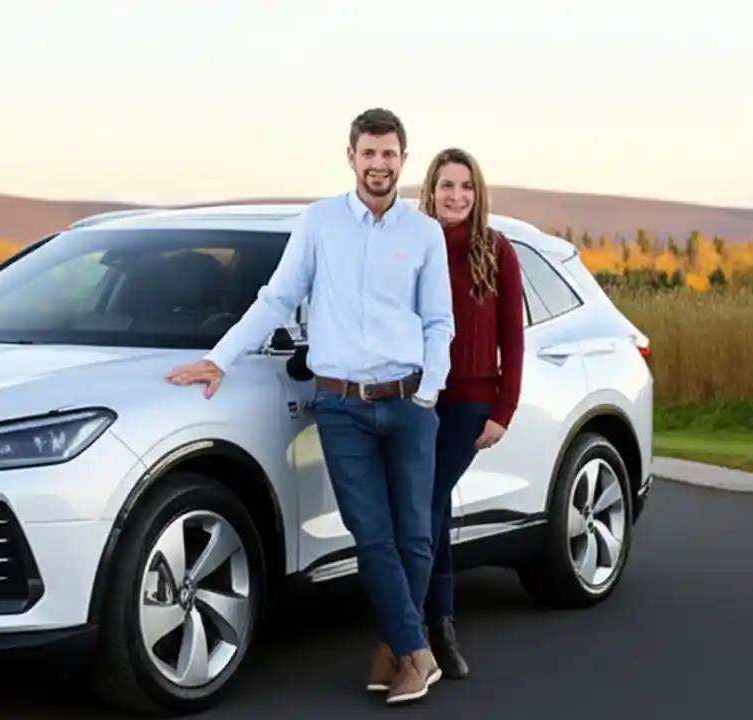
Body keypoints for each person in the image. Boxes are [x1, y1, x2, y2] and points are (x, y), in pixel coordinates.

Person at [166, 108, 455, 705]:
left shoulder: (423, 233)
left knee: (416, 536)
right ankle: (418, 652)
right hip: (341, 406)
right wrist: (221, 358)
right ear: (351, 156)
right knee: (370, 534)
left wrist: (429, 392)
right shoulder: (320, 224)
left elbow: (438, 321)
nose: (379, 165)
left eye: (390, 155)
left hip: (408, 402)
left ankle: (395, 646)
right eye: (369, 154)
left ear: (403, 160)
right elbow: (277, 298)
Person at [416, 148, 525, 680]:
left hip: (470, 402)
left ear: (477, 194)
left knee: (429, 500)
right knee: (430, 507)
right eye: (445, 186)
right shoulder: (413, 245)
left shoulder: (496, 250)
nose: (455, 196)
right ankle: (433, 627)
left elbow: (513, 337)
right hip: (417, 398)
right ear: (430, 191)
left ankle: (432, 626)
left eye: (465, 186)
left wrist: (504, 407)